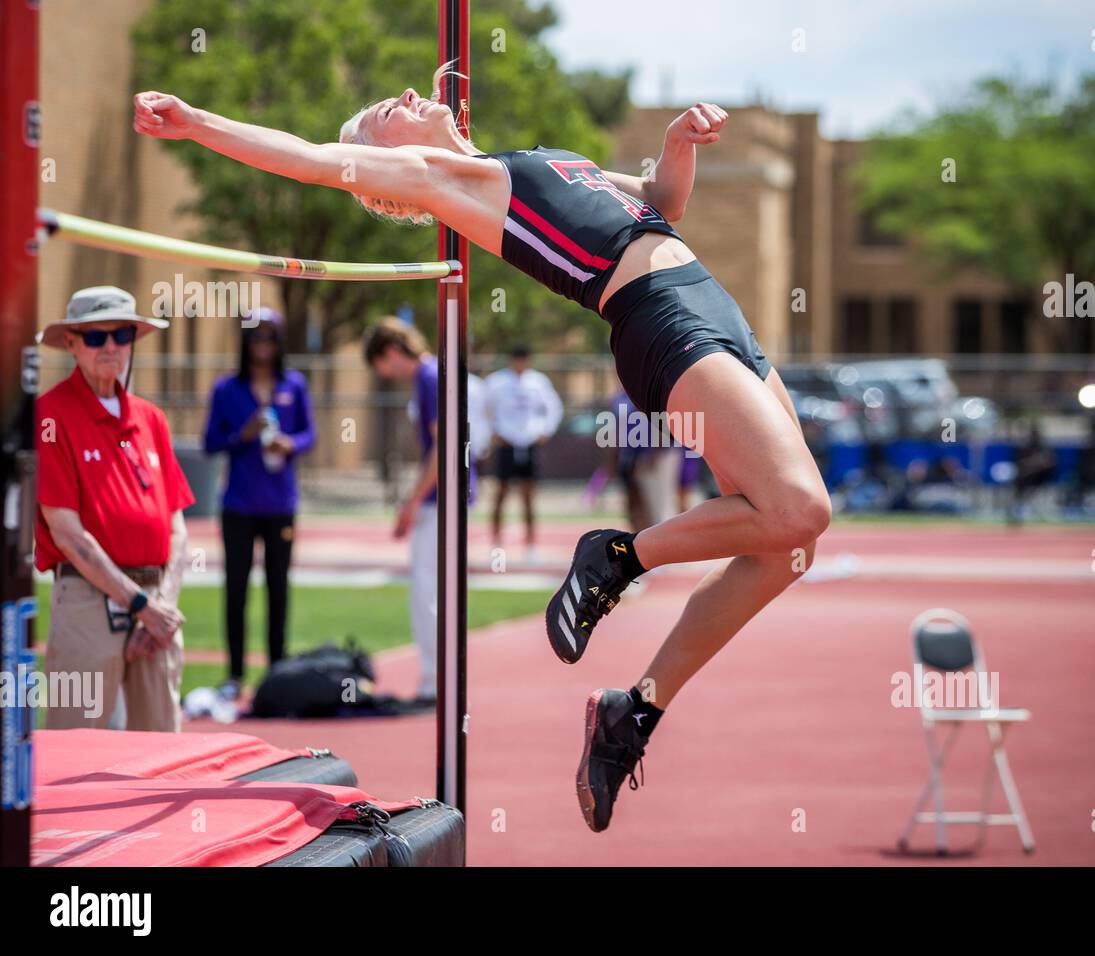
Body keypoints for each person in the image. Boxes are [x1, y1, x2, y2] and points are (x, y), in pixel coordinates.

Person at [132, 69, 831, 832]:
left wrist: (674, 146)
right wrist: (198, 120)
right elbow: (308, 158)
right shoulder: (446, 182)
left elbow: (658, 203)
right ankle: (620, 557)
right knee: (798, 506)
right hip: (662, 322)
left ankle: (633, 712)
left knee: (788, 543)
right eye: (378, 117)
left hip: (712, 304)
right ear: (390, 178)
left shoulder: (528, 160)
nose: (398, 100)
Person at [34, 286, 194, 731]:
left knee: (162, 752)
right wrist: (141, 604)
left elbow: (176, 525)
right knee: (75, 749)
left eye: (121, 334)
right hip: (88, 600)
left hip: (155, 601)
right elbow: (67, 533)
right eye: (95, 336)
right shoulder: (50, 416)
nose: (110, 346)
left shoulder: (150, 417)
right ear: (71, 342)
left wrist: (161, 604)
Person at [203, 308, 316, 700]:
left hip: (280, 503)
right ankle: (235, 673)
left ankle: (277, 671)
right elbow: (210, 443)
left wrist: (291, 444)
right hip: (238, 504)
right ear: (245, 341)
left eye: (270, 337)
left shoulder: (295, 385)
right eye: (256, 336)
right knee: (236, 589)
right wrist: (243, 434)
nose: (263, 345)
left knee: (278, 587)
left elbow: (309, 434)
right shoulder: (226, 389)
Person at [362, 317, 476, 705]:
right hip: (448, 494)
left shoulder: (429, 376)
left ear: (391, 352)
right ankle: (440, 678)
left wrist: (411, 503)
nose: (386, 375)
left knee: (428, 590)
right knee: (436, 589)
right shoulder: (435, 373)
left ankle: (434, 681)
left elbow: (441, 446)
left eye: (382, 366)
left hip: (442, 498)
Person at [483, 345, 563, 562]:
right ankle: (496, 544)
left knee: (528, 496)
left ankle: (531, 545)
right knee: (501, 493)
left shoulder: (537, 382)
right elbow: (484, 408)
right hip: (506, 444)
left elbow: (553, 407)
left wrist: (545, 431)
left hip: (529, 444)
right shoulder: (497, 382)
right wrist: (494, 433)